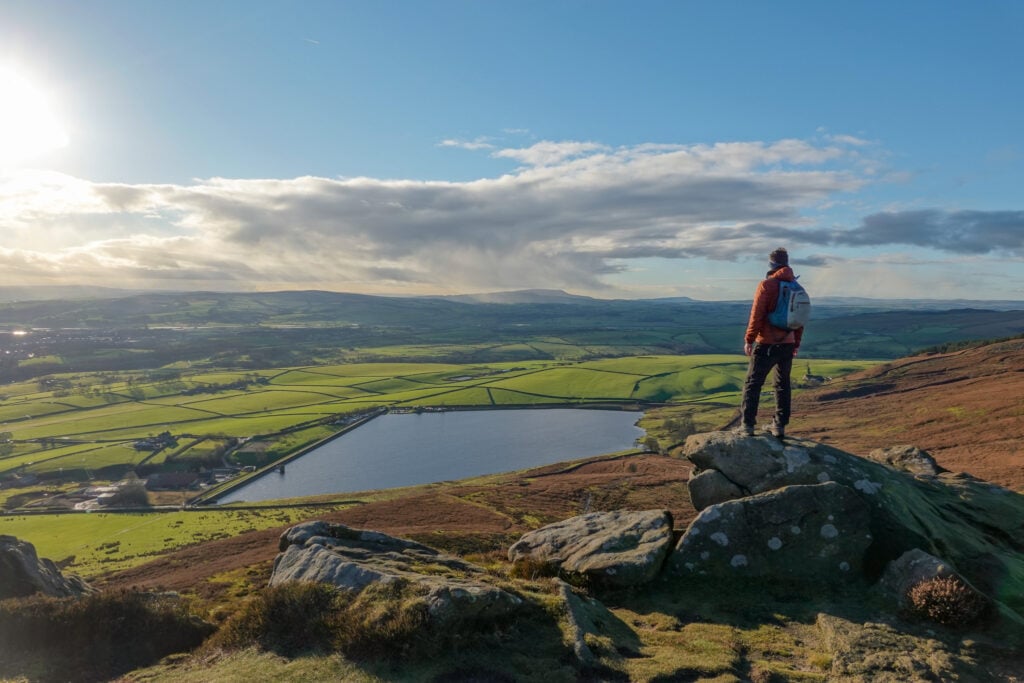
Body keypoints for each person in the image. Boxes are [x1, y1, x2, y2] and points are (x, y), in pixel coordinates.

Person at [738, 247, 803, 439]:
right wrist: (796, 343)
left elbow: (756, 315)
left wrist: (749, 339)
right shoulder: (797, 287)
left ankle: (747, 425)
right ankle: (779, 426)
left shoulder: (767, 285)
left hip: (766, 343)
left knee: (753, 383)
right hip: (788, 343)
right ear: (787, 263)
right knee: (782, 385)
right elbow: (800, 320)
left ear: (771, 264)